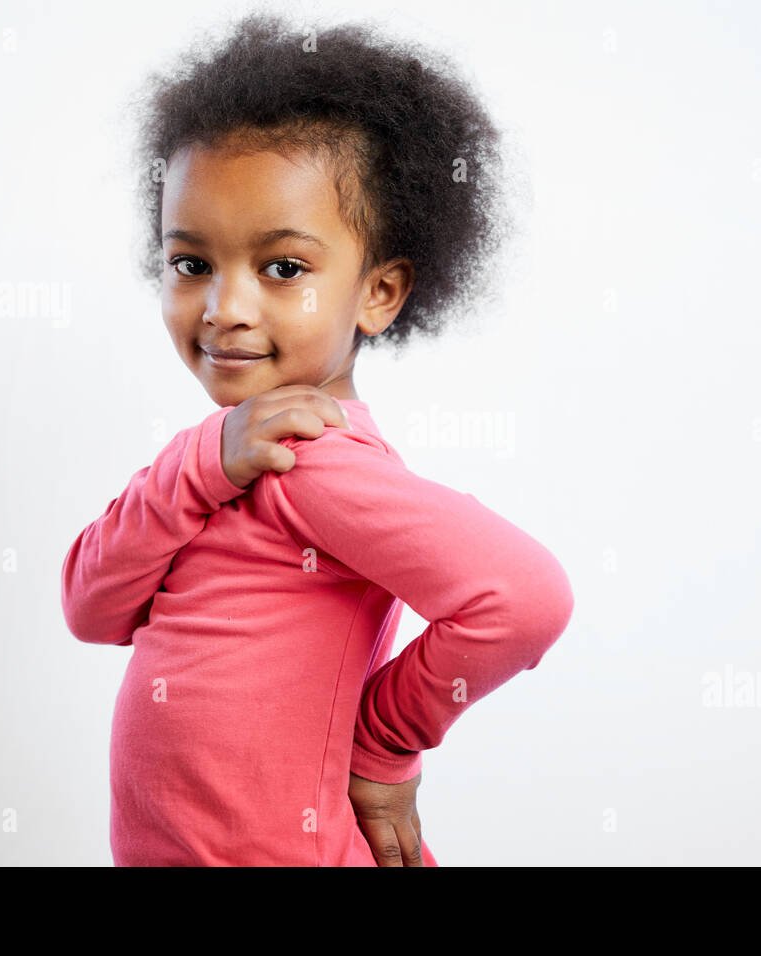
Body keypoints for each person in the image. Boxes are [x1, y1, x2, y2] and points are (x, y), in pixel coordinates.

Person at [60, 10, 573, 866]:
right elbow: (90, 605)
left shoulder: (311, 464)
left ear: (378, 292)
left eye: (282, 268)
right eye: (191, 263)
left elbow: (524, 599)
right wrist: (199, 467)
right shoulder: (218, 458)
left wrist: (384, 743)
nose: (225, 307)